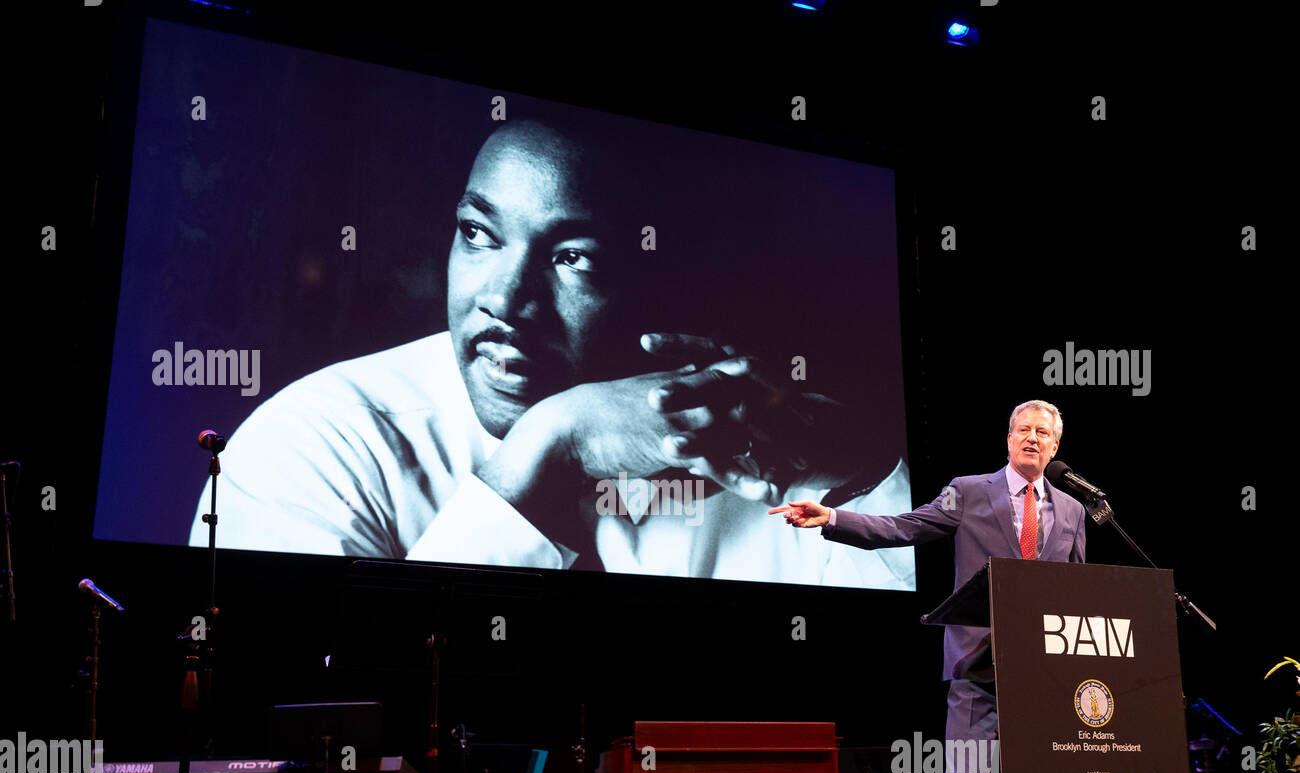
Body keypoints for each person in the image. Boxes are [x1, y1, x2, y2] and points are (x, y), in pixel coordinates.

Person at [188, 119, 914, 589]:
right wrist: (549, 445)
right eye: (479, 234)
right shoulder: (316, 444)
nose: (504, 299)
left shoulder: (756, 437)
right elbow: (334, 723)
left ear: (660, 281)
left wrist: (856, 466)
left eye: (573, 257)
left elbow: (940, 668)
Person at [770, 399, 1088, 773]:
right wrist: (834, 519)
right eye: (1023, 430)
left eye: (1044, 433)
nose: (1033, 439)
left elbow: (1075, 598)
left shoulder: (1072, 511)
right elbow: (905, 527)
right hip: (978, 676)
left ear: (1057, 446)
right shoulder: (969, 492)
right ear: (1008, 437)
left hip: (1042, 683)